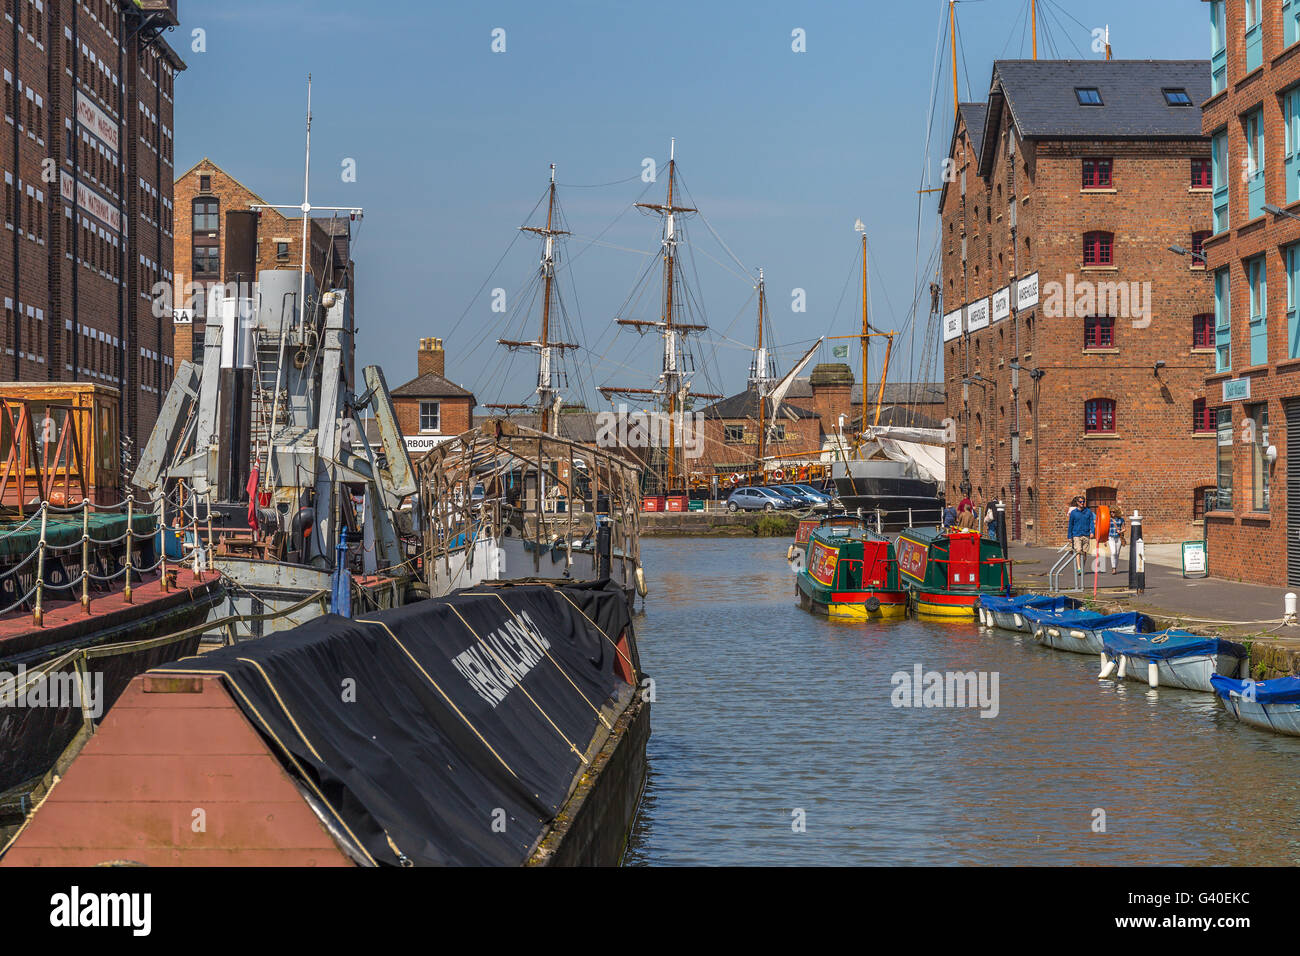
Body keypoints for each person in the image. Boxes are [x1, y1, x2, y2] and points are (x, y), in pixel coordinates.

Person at [1066, 495, 1095, 573]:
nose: (1082, 503)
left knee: (1084, 553)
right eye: (1080, 502)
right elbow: (1070, 525)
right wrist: (1069, 536)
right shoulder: (1073, 513)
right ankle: (1079, 568)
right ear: (1077, 503)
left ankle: (1082, 567)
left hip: (1086, 534)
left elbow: (1091, 522)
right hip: (1076, 534)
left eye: (1083, 502)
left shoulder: (1088, 511)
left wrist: (1092, 531)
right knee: (1078, 550)